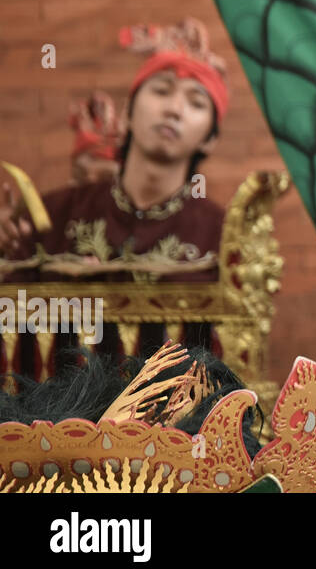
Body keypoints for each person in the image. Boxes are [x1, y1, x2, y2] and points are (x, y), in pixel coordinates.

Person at [1, 18, 231, 363]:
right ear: (126, 115)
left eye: (196, 103)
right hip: (61, 412)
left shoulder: (222, 235)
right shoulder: (54, 214)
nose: (174, 109)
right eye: (161, 90)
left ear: (210, 138)